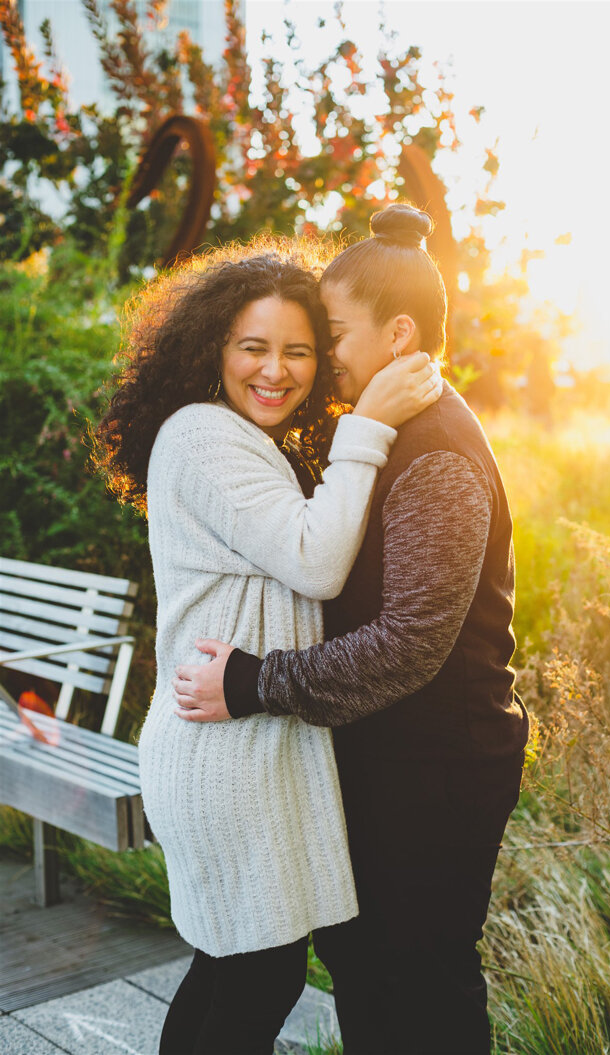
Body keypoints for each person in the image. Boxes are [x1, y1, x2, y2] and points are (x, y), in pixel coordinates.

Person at [173, 205, 530, 1055]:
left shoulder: (436, 451)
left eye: (332, 333)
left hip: (439, 768)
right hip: (388, 761)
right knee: (372, 978)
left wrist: (255, 682)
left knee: (418, 989)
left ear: (397, 332)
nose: (322, 354)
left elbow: (410, 641)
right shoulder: (377, 431)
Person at [92, 237, 442, 1055]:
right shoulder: (203, 436)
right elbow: (315, 560)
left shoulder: (246, 437)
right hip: (224, 752)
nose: (275, 371)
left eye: (298, 351)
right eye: (253, 347)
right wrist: (369, 424)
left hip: (238, 742)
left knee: (229, 970)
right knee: (259, 977)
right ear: (213, 348)